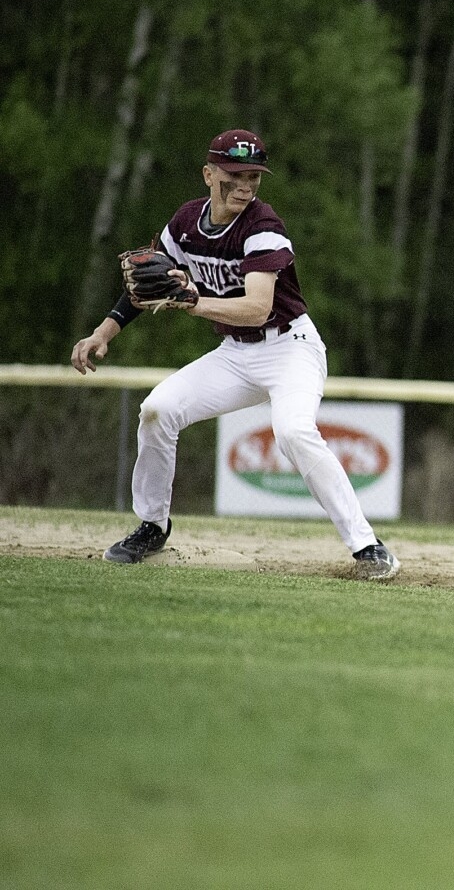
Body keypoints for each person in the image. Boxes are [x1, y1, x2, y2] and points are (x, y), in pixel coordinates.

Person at [70, 129, 400, 581]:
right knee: (157, 410)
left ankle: (367, 545)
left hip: (290, 349)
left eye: (253, 176)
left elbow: (257, 308)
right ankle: (151, 525)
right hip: (234, 354)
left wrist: (190, 301)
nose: (245, 185)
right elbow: (146, 280)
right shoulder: (186, 222)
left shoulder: (263, 227)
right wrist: (103, 332)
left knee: (293, 433)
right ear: (209, 174)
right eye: (234, 175)